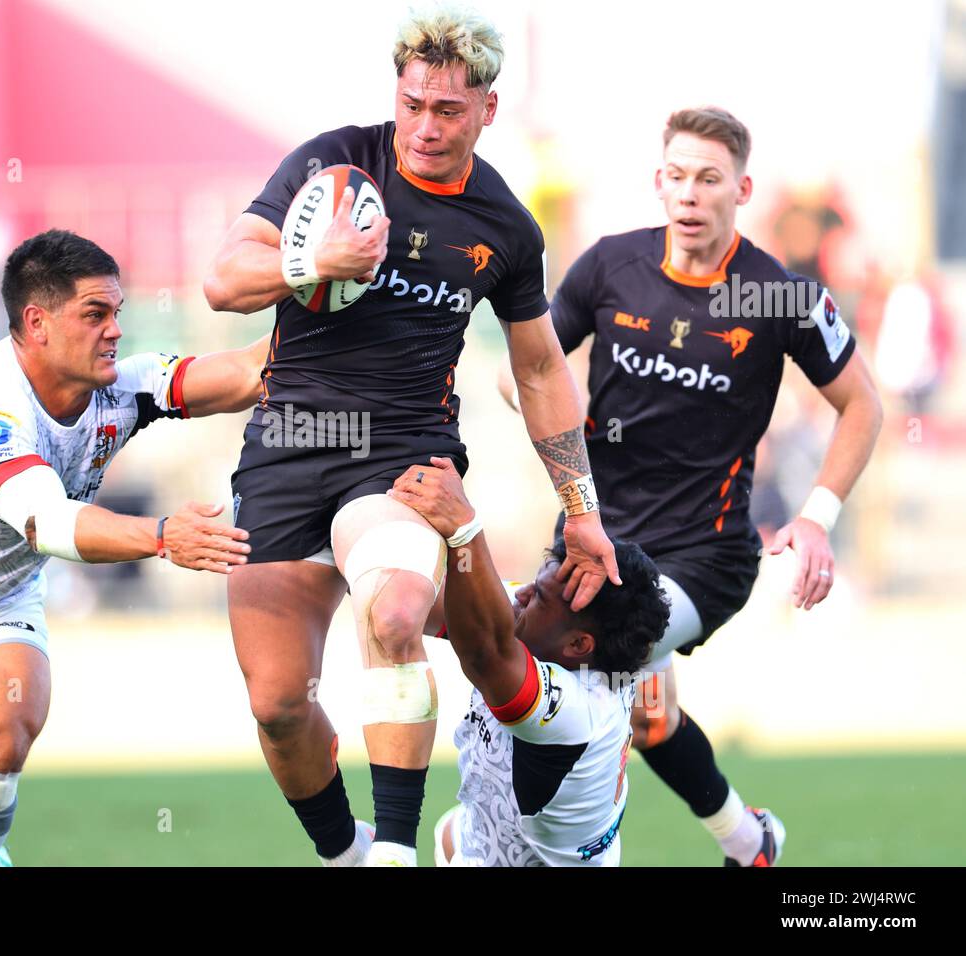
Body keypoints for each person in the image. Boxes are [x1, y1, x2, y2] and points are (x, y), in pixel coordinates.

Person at [203, 5, 619, 867]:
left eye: (449, 111)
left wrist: (581, 508)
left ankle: (397, 851)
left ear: (488, 111)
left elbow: (540, 369)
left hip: (401, 457)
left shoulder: (504, 224)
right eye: (412, 104)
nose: (425, 128)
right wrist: (312, 261)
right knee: (279, 702)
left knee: (393, 612)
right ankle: (349, 853)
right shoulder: (333, 164)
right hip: (285, 444)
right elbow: (221, 281)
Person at [500, 107, 884, 865]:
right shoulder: (610, 267)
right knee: (649, 721)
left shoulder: (778, 295)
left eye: (708, 179)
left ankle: (556, 851)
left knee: (576, 658)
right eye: (676, 176)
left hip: (704, 558)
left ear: (741, 189)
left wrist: (813, 518)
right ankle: (750, 843)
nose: (689, 194)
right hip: (598, 539)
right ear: (658, 183)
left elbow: (863, 405)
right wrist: (541, 399)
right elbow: (527, 371)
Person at [0, 229, 268, 866]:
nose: (115, 331)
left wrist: (322, 288)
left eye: (117, 313)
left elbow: (244, 374)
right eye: (95, 314)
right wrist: (160, 536)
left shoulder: (119, 389)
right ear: (37, 323)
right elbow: (44, 521)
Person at [386, 457, 669, 866]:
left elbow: (485, 654)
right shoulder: (552, 631)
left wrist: (465, 526)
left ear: (577, 645)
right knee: (452, 833)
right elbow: (418, 601)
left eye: (538, 597)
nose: (521, 594)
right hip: (477, 837)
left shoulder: (577, 710)